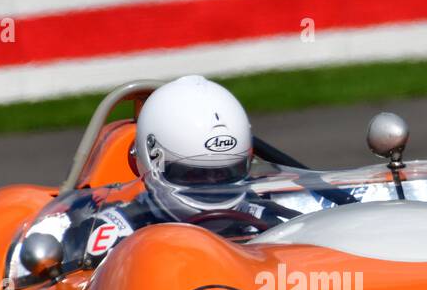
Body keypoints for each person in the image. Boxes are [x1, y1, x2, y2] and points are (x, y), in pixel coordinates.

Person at [67, 74, 292, 267]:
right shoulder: (109, 232)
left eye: (226, 173)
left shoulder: (277, 220)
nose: (213, 187)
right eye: (195, 174)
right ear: (153, 158)